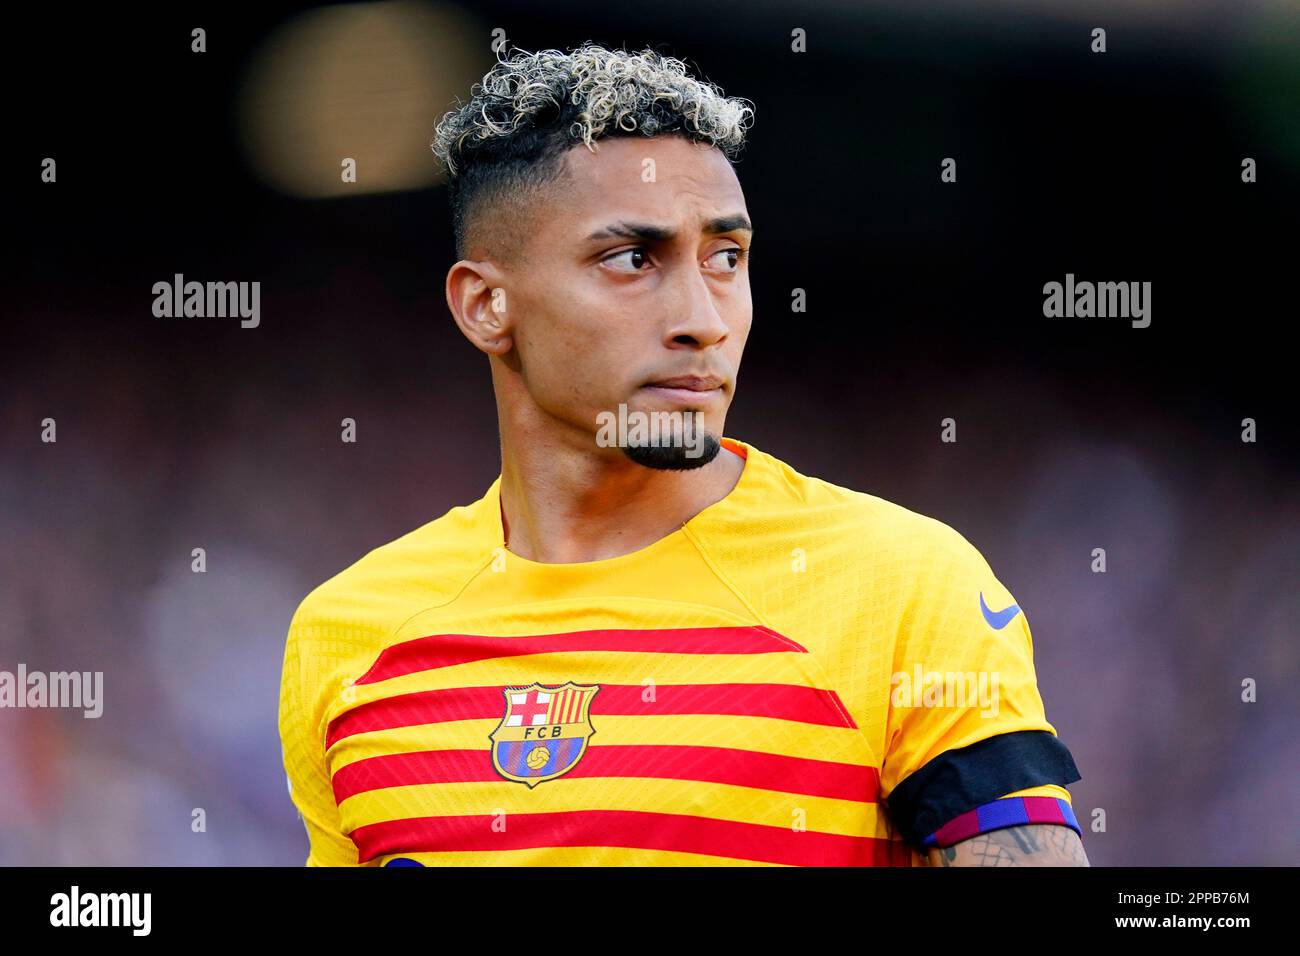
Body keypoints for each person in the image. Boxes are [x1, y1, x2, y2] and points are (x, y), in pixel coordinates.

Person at [279, 42, 1085, 867]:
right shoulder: (349, 637)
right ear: (487, 306)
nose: (703, 318)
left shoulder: (902, 587)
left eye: (725, 259)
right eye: (634, 259)